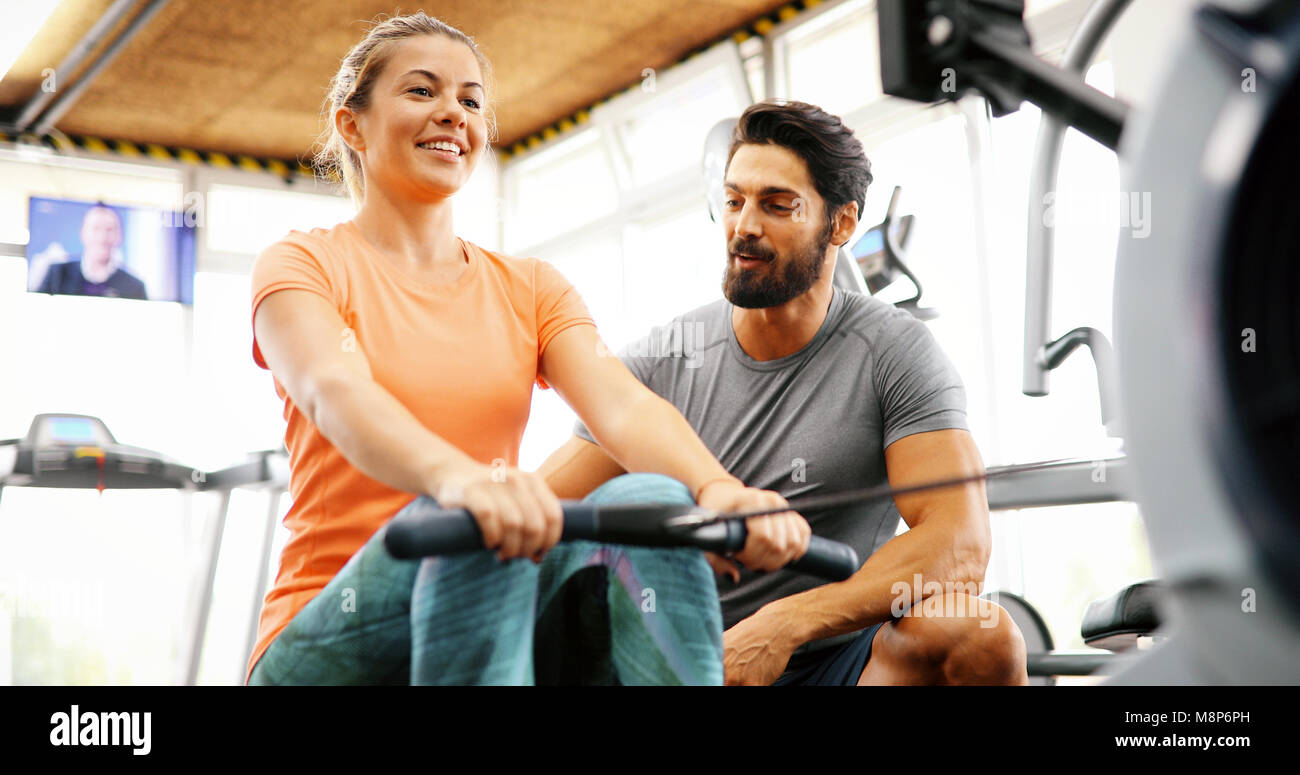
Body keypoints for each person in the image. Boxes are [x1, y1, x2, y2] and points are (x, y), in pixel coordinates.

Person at [245, 13, 810, 686]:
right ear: (352, 126)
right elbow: (335, 392)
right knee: (473, 516)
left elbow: (623, 407)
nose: (453, 113)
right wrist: (466, 481)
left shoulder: (531, 287)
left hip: (489, 593)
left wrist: (719, 490)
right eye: (422, 92)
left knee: (653, 502)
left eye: (471, 100)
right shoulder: (302, 263)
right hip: (325, 634)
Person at [539, 100, 1029, 686]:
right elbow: (545, 511)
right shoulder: (664, 358)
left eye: (777, 205)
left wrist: (785, 623)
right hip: (691, 664)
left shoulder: (895, 352)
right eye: (733, 200)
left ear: (841, 223)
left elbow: (961, 543)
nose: (744, 225)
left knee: (980, 636)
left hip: (834, 658)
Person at [36, 204, 147, 299]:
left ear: (119, 236)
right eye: (96, 228)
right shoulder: (57, 275)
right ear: (83, 233)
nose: (102, 237)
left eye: (109, 230)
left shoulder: (135, 286)